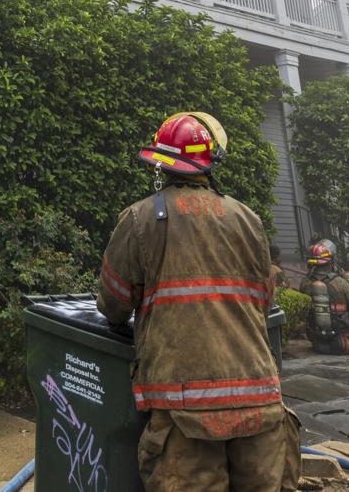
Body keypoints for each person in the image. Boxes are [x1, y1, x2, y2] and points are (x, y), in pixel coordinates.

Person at [98, 111, 300, 492]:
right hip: (260, 403)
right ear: (210, 162)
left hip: (184, 413)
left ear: (162, 164)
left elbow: (114, 303)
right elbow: (264, 300)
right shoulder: (248, 219)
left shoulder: (141, 219)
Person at [299, 239, 349, 354]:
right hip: (342, 336)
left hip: (316, 337)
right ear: (331, 260)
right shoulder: (341, 283)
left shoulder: (305, 282)